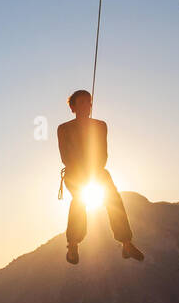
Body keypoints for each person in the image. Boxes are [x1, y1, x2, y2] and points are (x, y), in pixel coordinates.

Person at [56, 89, 144, 264]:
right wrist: (83, 167)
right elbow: (65, 157)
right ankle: (73, 245)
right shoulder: (64, 128)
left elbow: (103, 154)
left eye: (88, 102)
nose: (86, 105)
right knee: (79, 200)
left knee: (113, 199)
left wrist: (93, 167)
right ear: (73, 107)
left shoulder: (100, 125)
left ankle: (126, 243)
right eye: (81, 102)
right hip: (75, 172)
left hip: (97, 170)